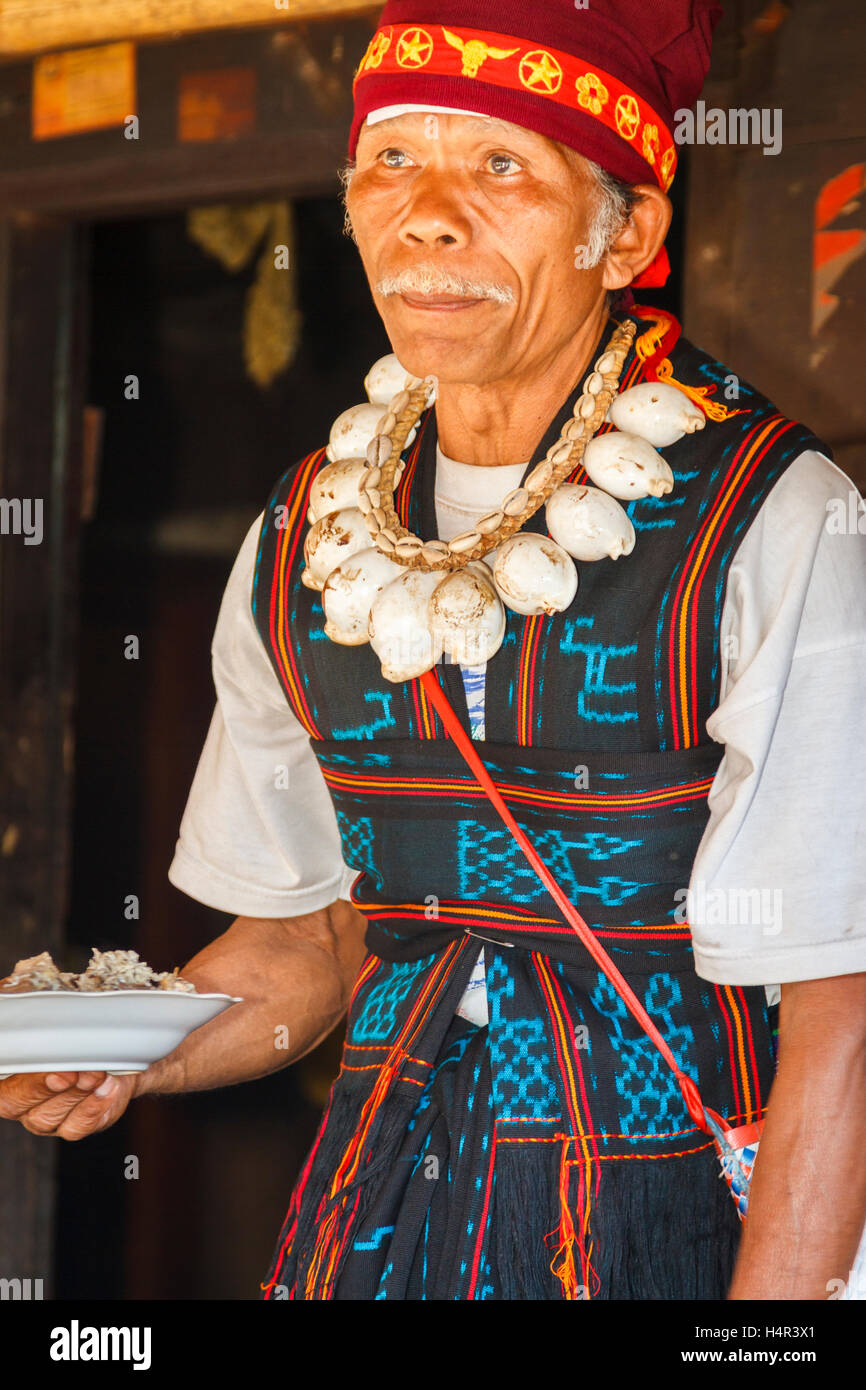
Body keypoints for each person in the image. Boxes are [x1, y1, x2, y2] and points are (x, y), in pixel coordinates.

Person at [2, 0, 865, 1300]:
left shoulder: (771, 516)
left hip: (662, 1216)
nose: (427, 215)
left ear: (623, 228)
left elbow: (839, 1009)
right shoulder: (308, 530)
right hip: (382, 1206)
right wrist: (141, 1047)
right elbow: (318, 940)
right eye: (392, 162)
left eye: (500, 164)